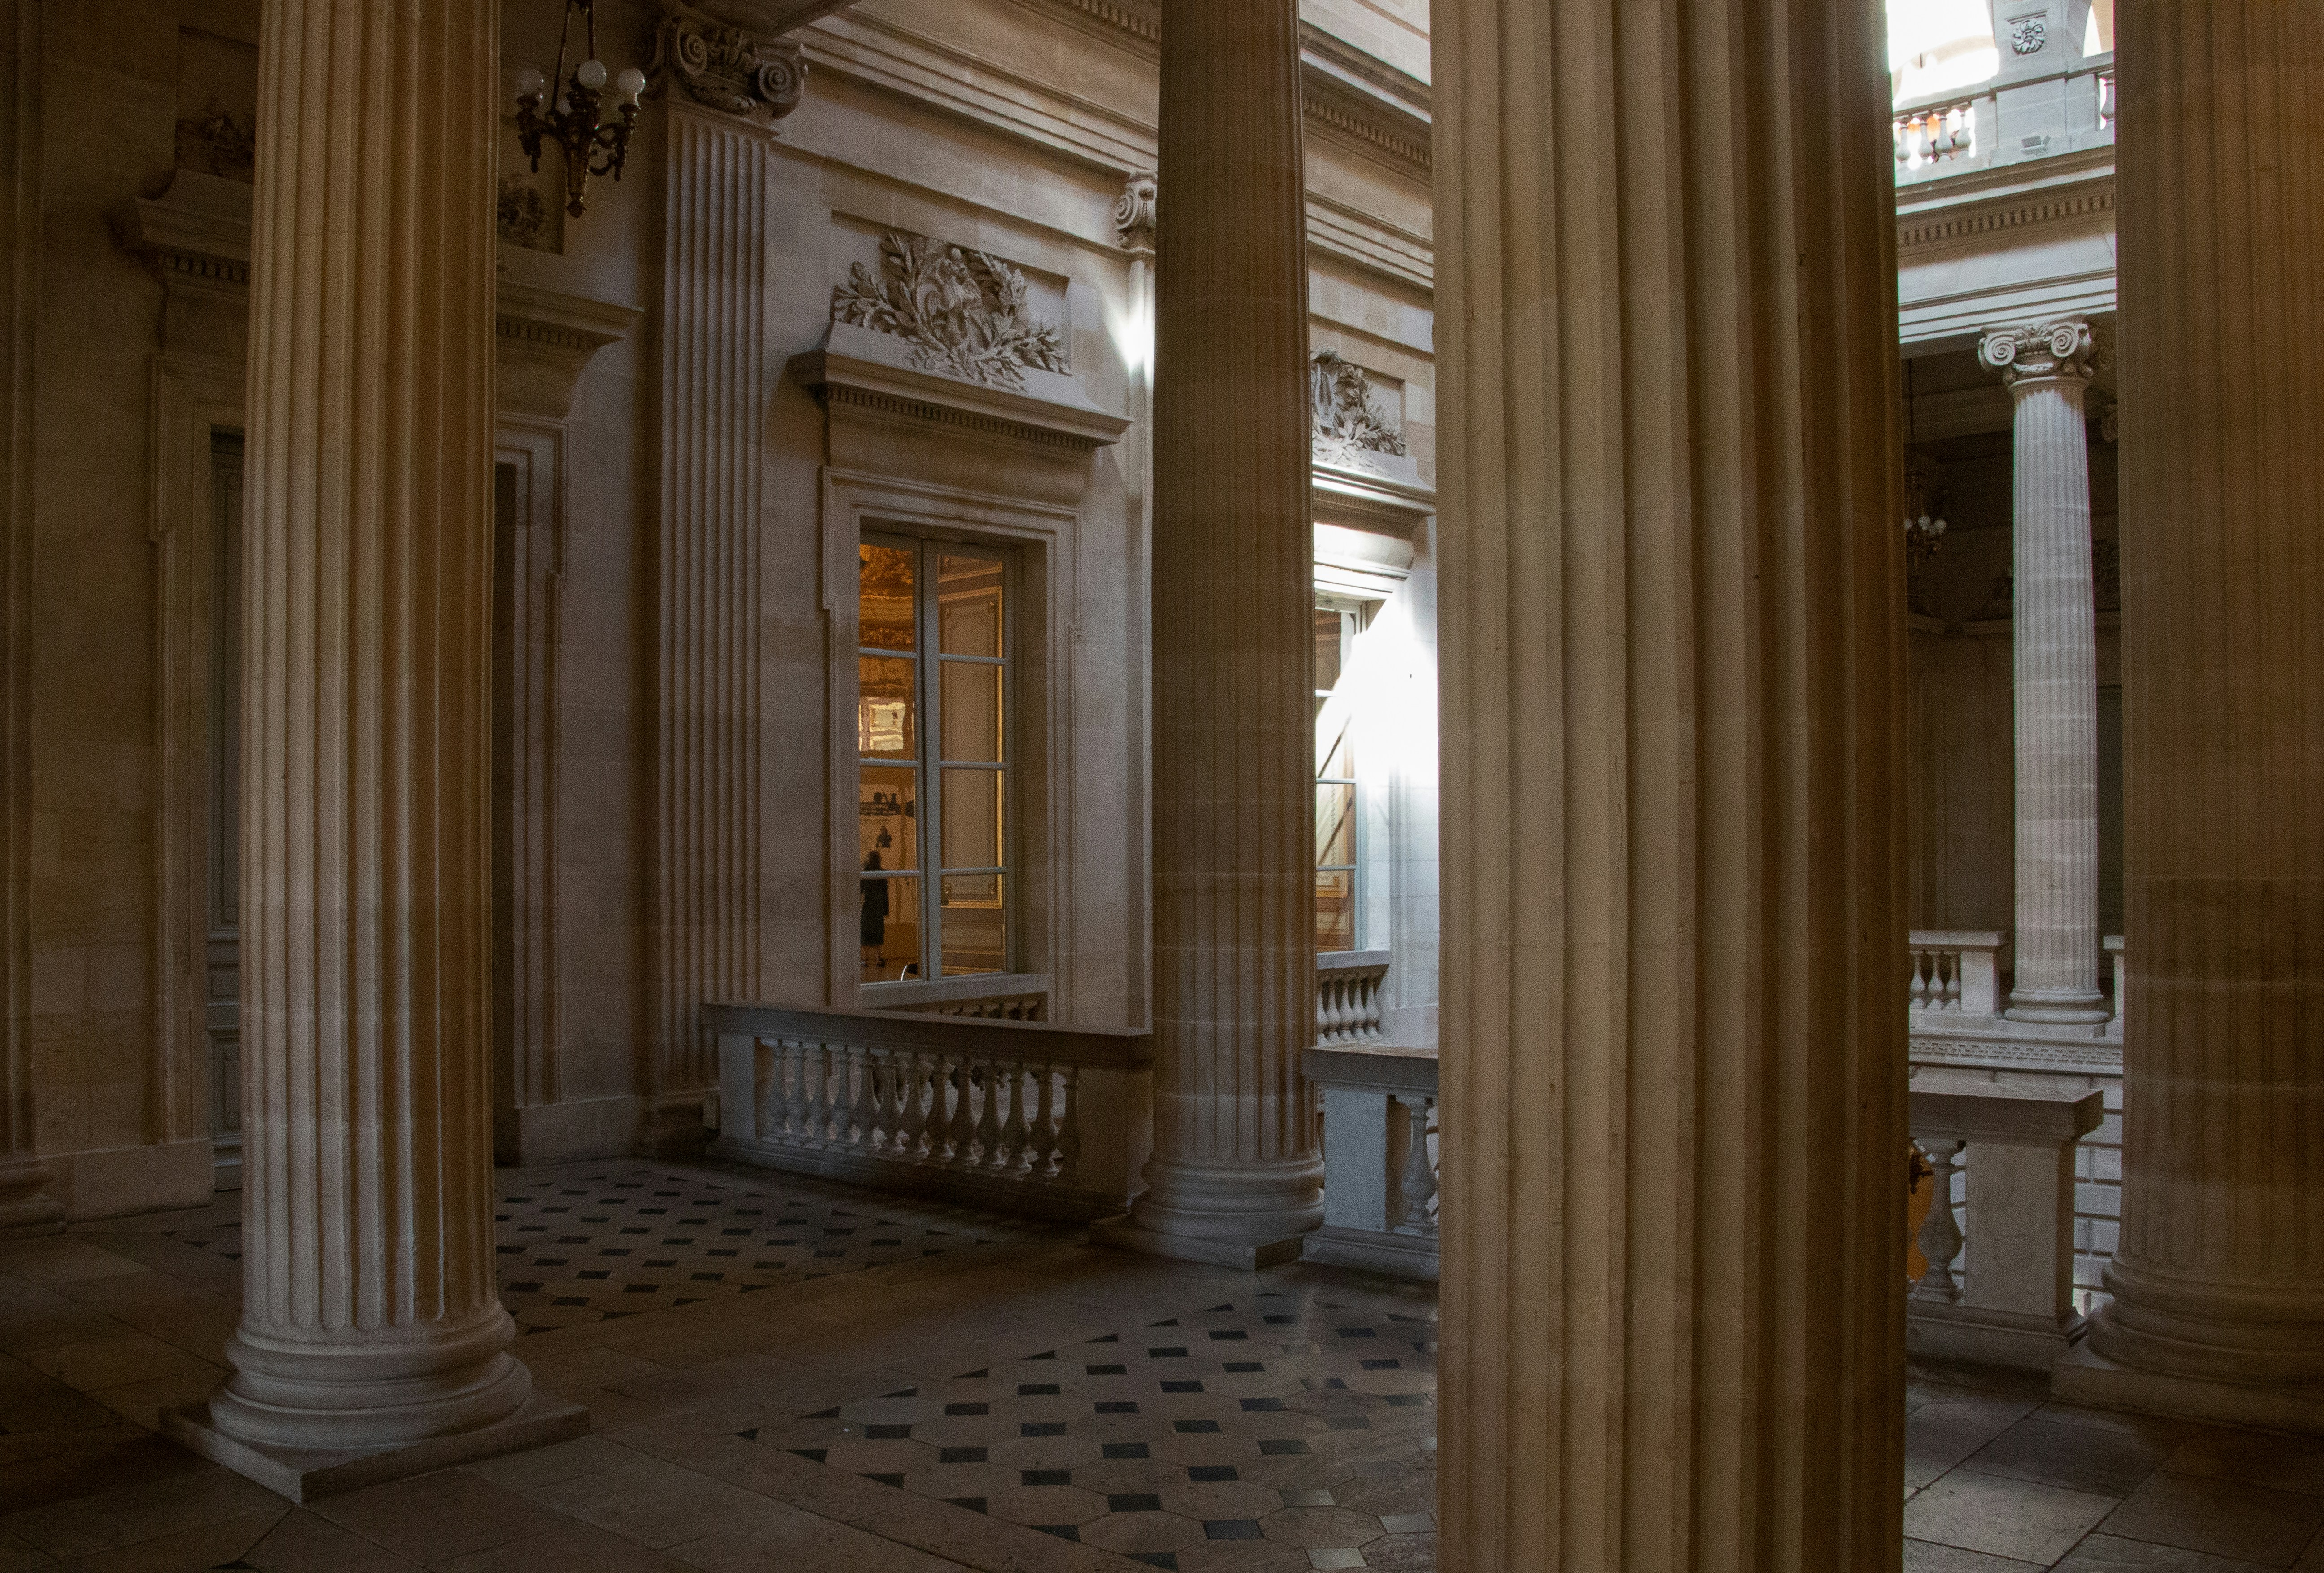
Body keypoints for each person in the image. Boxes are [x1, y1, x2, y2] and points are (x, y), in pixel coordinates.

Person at [860, 851, 890, 978]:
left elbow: (860, 891)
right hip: (878, 907)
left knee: (865, 932)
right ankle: (878, 958)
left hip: (868, 907)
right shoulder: (882, 875)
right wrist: (886, 910)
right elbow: (885, 895)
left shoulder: (865, 874)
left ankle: (865, 959)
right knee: (878, 931)